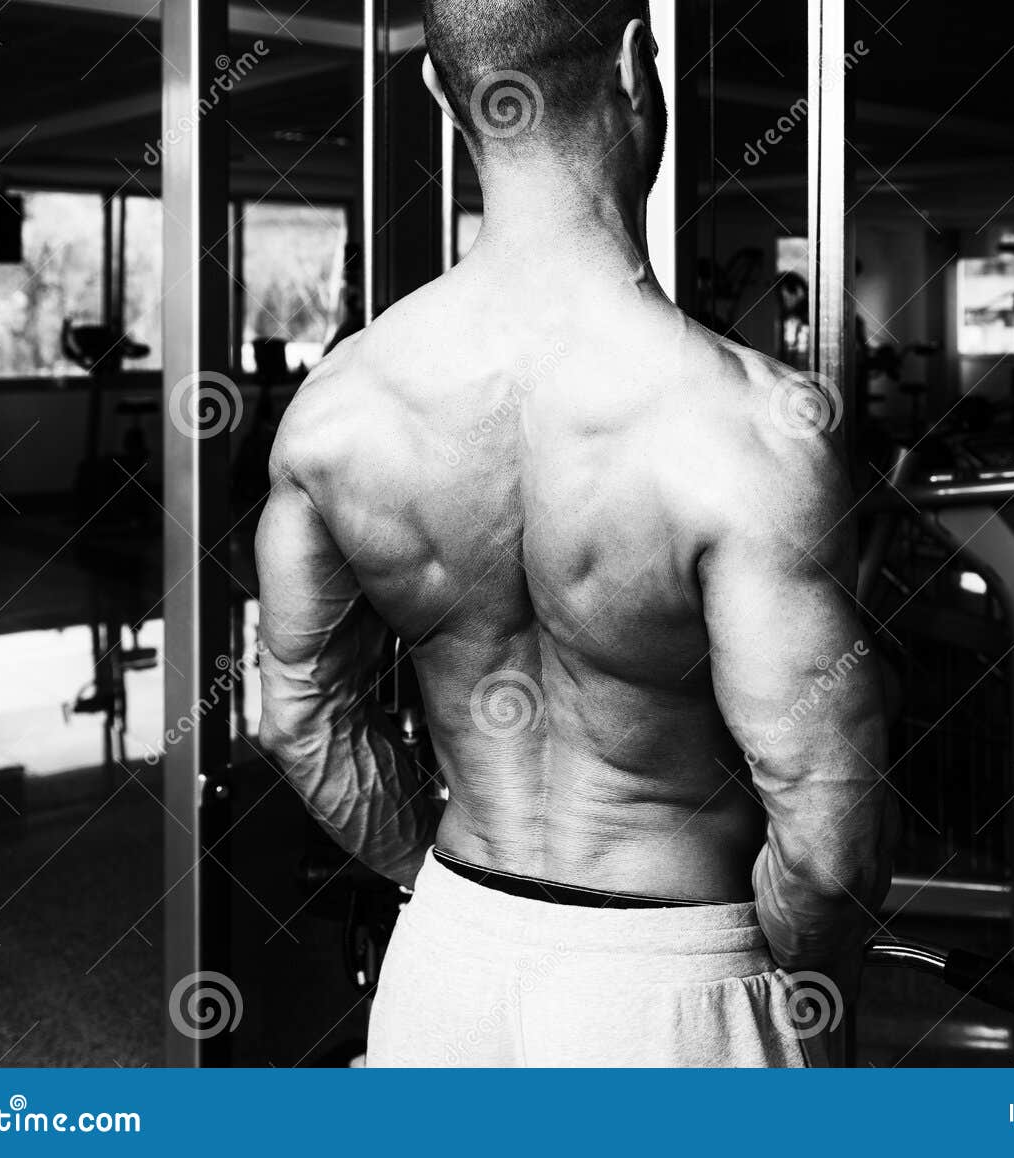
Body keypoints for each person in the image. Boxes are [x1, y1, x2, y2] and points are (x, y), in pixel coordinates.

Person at [256, 0, 891, 1068]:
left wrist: (451, 892)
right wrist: (779, 989)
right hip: (676, 987)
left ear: (439, 91)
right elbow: (829, 852)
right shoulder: (748, 434)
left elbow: (300, 719)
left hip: (443, 970)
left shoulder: (337, 409)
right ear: (639, 69)